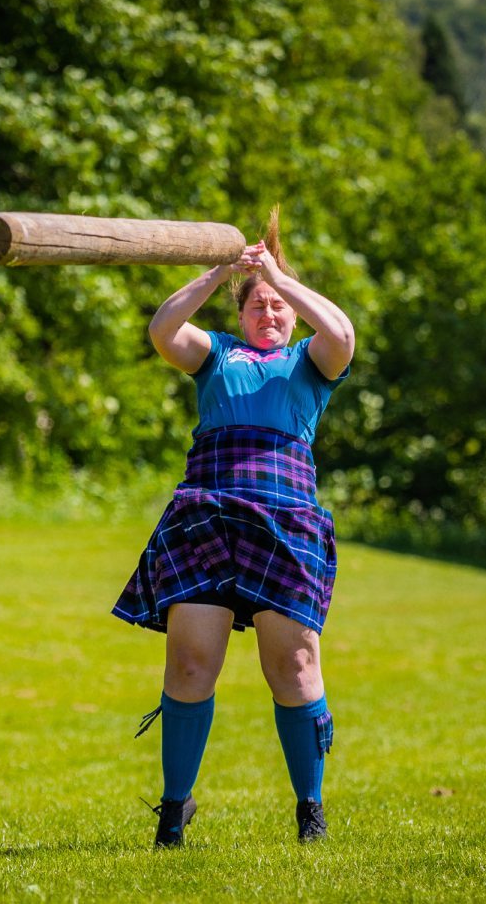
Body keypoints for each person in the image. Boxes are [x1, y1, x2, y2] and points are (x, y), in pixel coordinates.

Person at [112, 215, 354, 847]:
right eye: (257, 306)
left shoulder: (310, 360)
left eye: (277, 306)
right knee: (191, 661)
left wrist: (276, 277)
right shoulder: (216, 353)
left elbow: (343, 331)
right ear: (241, 313)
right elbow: (163, 330)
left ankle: (310, 809)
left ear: (292, 315)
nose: (268, 313)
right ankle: (173, 811)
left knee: (294, 666)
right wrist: (221, 271)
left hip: (285, 521)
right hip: (208, 516)